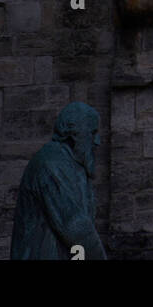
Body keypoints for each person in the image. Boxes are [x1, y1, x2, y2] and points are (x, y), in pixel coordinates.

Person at [10, 101, 107, 259]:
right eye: (92, 132)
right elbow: (75, 227)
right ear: (74, 132)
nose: (97, 141)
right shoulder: (51, 163)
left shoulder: (72, 166)